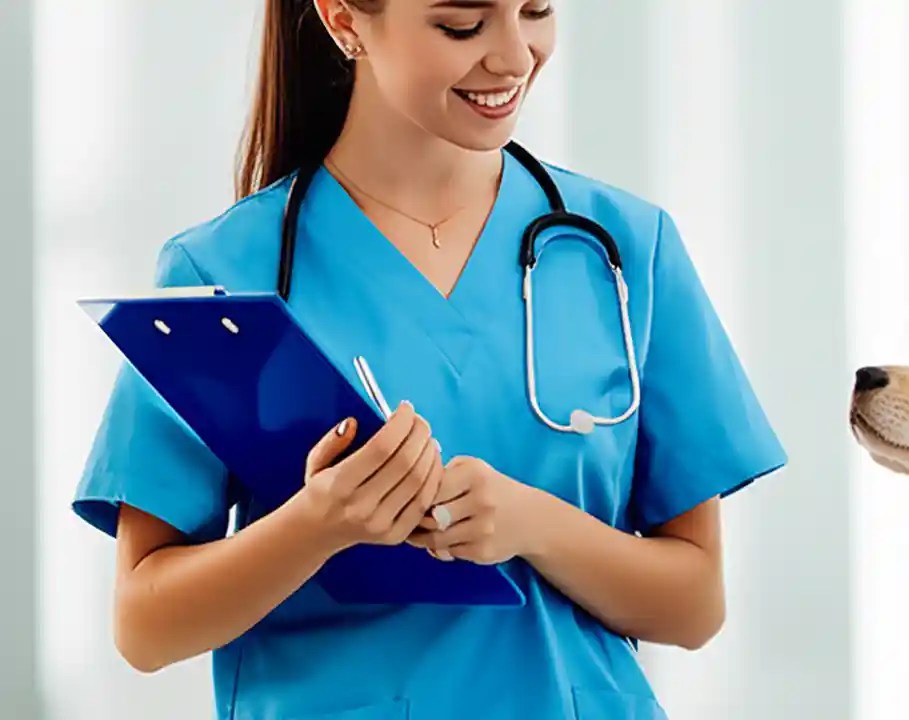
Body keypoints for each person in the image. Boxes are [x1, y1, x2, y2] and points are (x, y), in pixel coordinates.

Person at [71, 1, 787, 718]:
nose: (514, 57)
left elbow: (694, 606)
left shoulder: (625, 250)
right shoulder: (224, 271)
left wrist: (532, 524)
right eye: (462, 25)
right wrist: (317, 526)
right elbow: (145, 627)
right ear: (344, 18)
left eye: (536, 10)